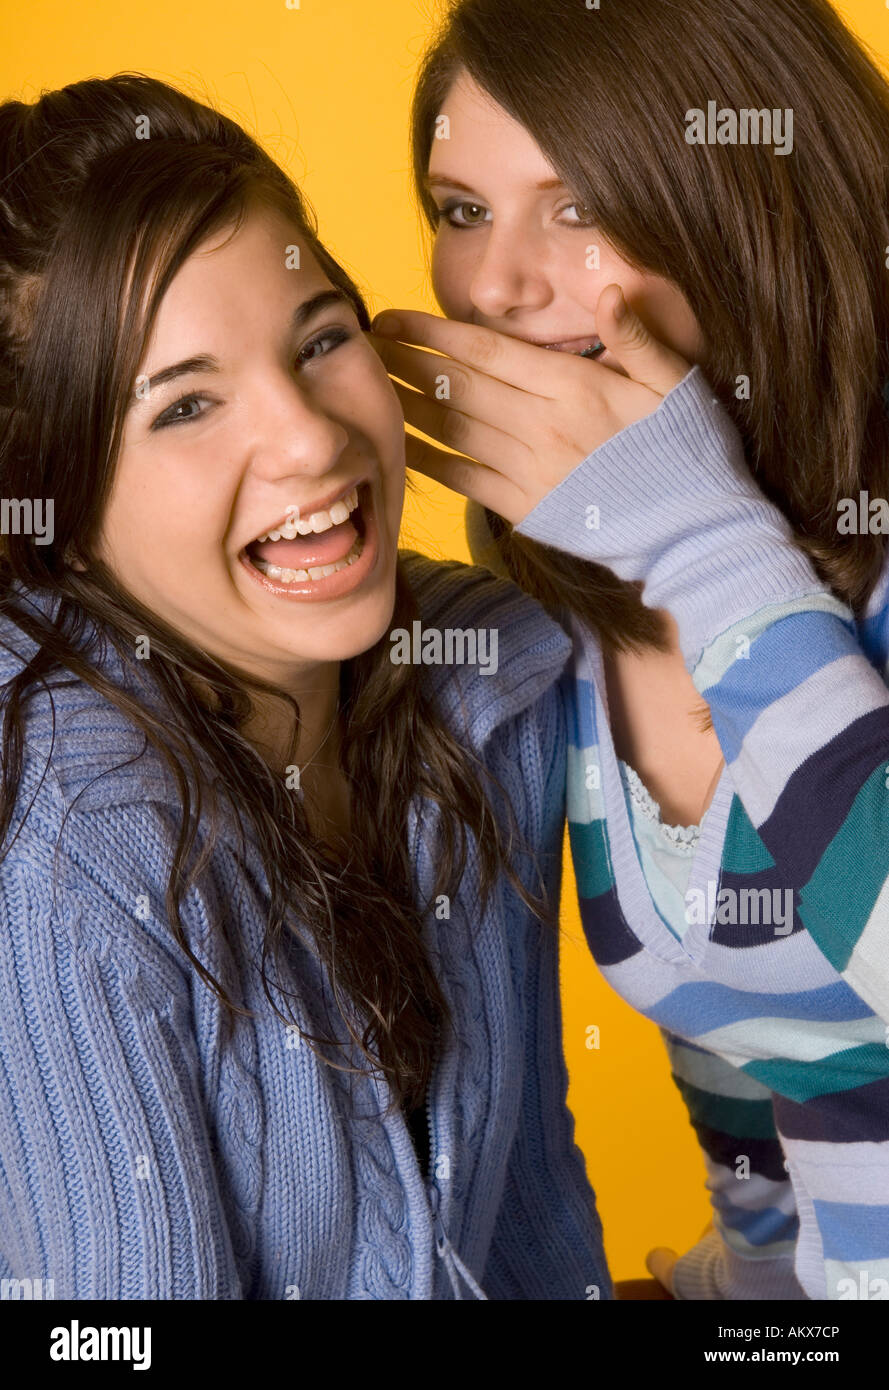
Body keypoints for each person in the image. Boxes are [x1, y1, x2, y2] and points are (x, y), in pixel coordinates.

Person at [0, 73, 612, 1300]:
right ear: (55, 508)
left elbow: (532, 1216)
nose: (309, 437)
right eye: (184, 405)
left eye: (320, 339)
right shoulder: (70, 852)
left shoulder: (494, 694)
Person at [369, 0, 889, 1300]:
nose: (494, 285)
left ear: (756, 197)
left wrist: (696, 534)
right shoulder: (582, 622)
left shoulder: (688, 547)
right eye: (462, 208)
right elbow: (780, 1116)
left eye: (581, 199)